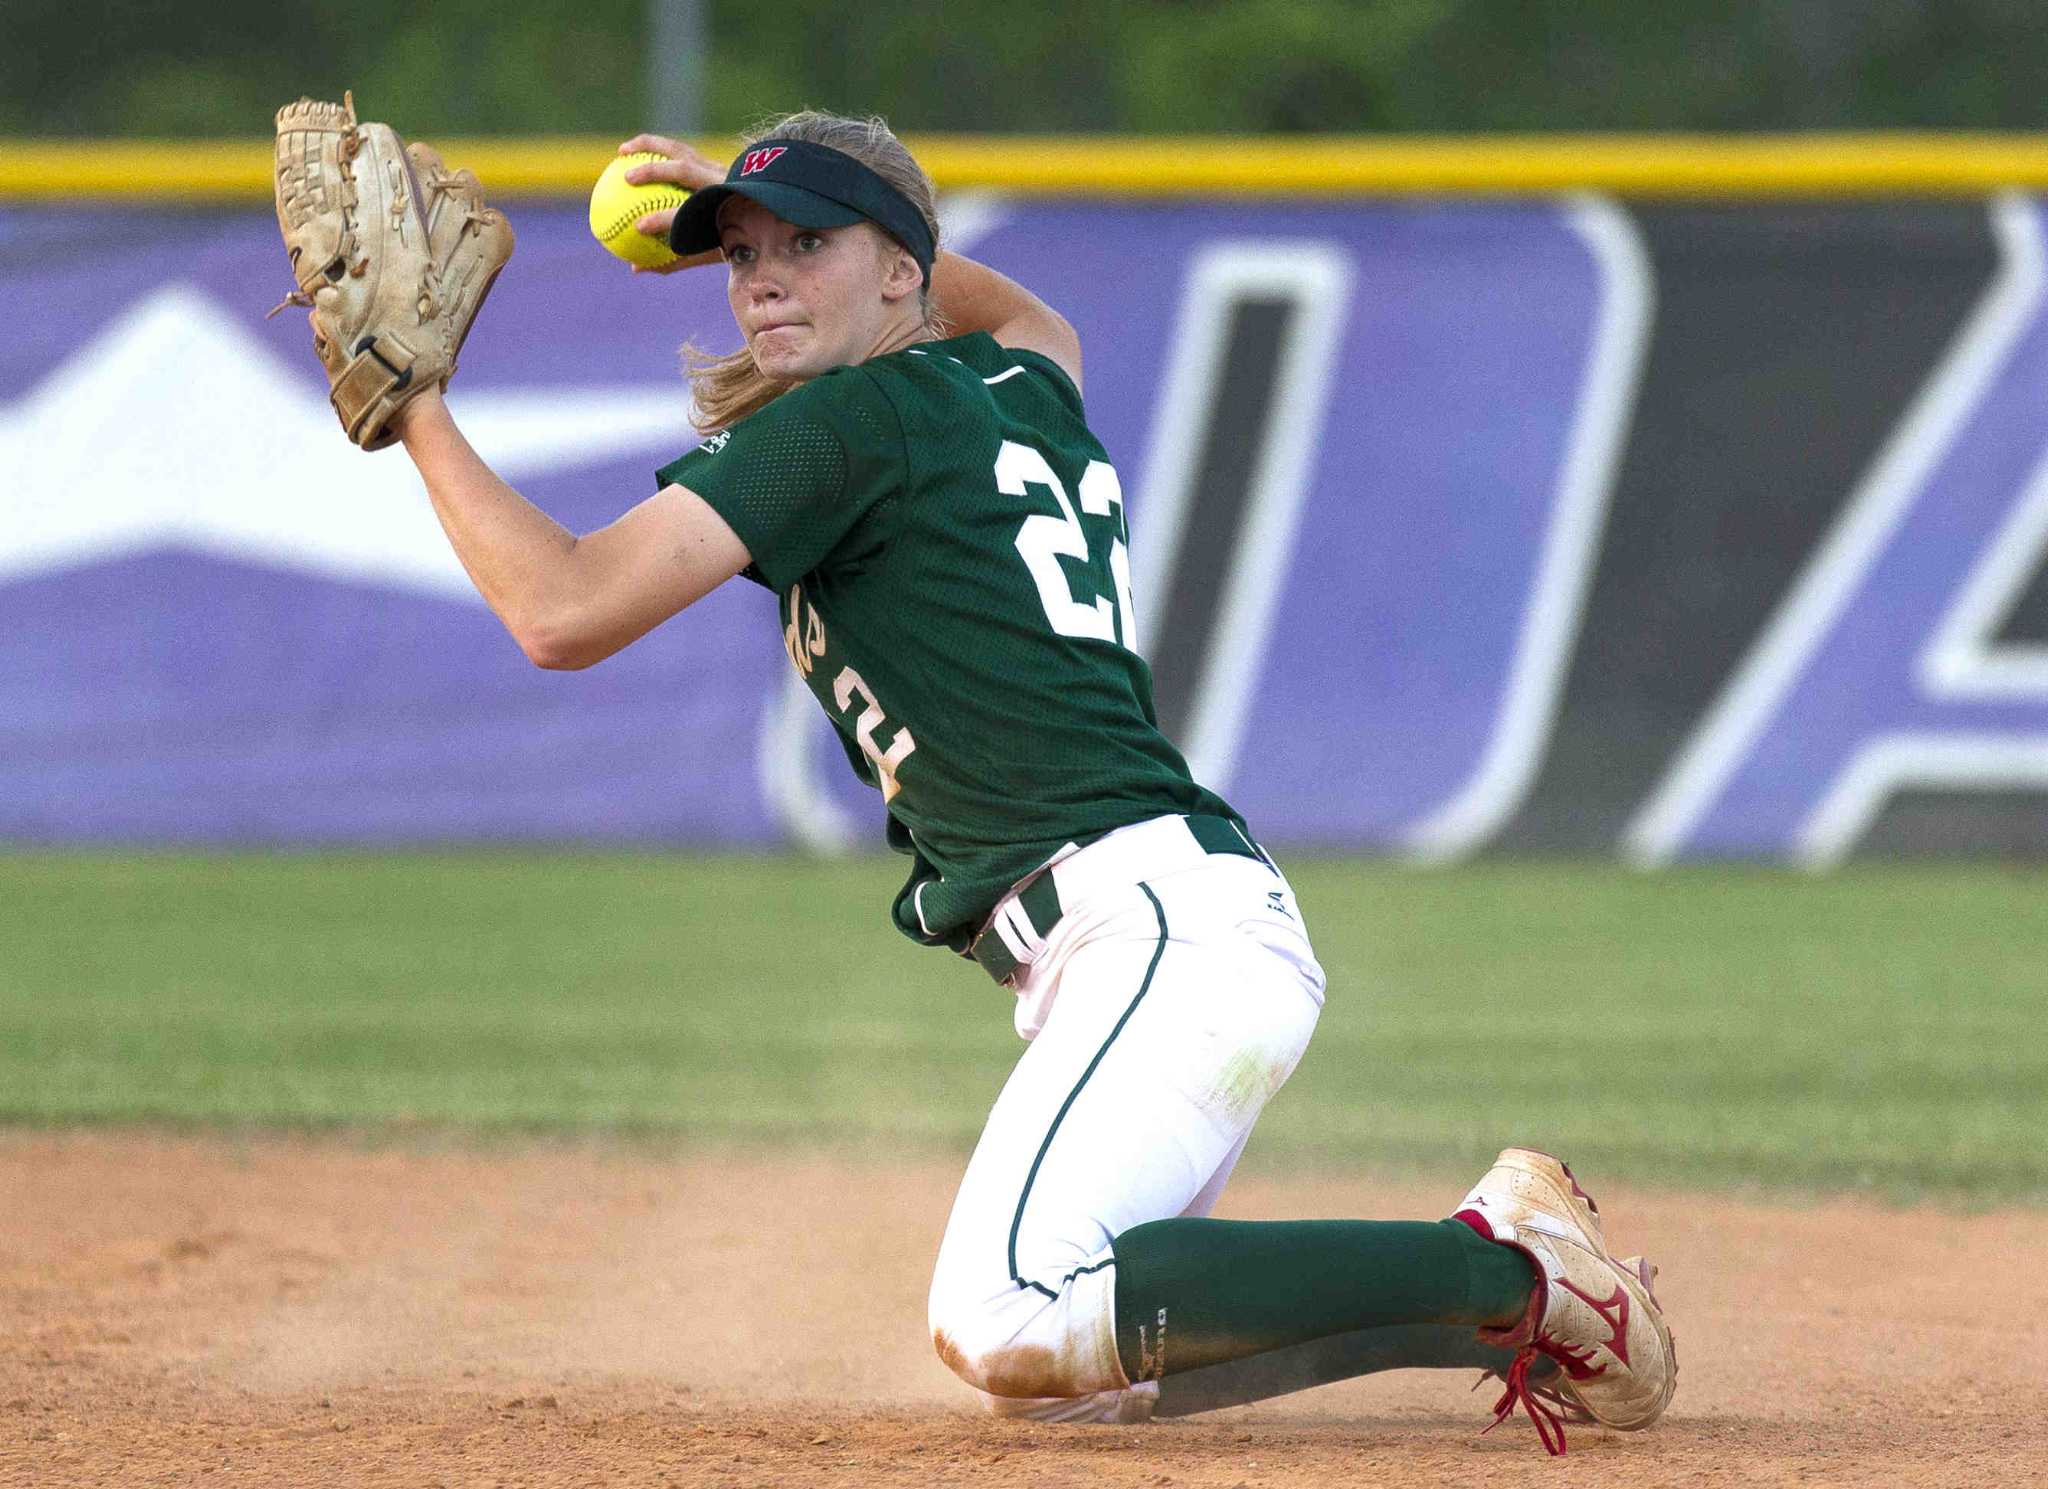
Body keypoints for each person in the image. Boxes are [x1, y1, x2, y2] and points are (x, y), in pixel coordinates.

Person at [387, 109, 1675, 1453]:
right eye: (742, 252)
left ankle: (1509, 1275)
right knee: (1101, 1365)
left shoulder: (841, 425)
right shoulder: (1014, 379)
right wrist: (785, 205)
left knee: (1007, 1314)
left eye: (805, 244)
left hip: (1151, 932)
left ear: (902, 272)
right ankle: (1521, 1286)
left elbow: (563, 610)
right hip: (1179, 926)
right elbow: (1029, 310)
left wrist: (416, 408)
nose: (759, 276)